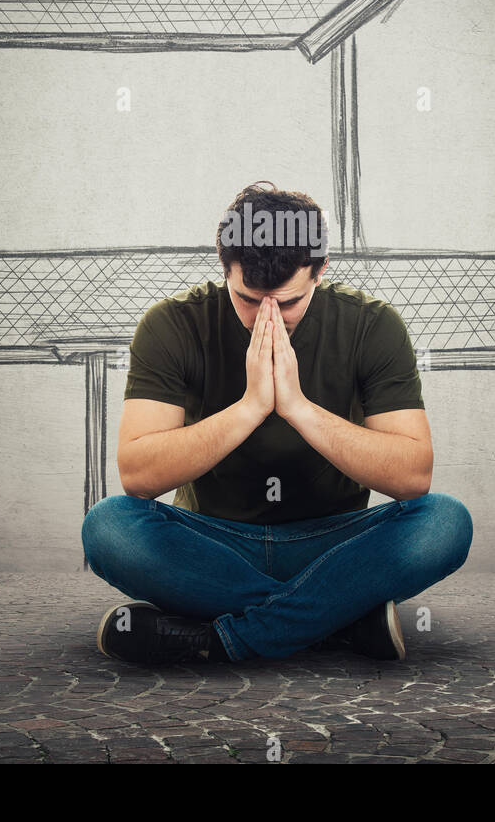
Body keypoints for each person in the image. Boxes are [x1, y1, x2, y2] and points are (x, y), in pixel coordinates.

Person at [81, 182, 473, 664]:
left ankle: (219, 638)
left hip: (334, 545)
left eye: (288, 302)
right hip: (212, 545)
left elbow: (412, 477)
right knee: (108, 526)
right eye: (248, 298)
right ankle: (339, 620)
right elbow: (139, 476)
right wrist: (250, 406)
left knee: (445, 522)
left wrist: (296, 407)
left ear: (321, 270)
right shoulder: (172, 324)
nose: (269, 316)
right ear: (224, 268)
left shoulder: (372, 324)